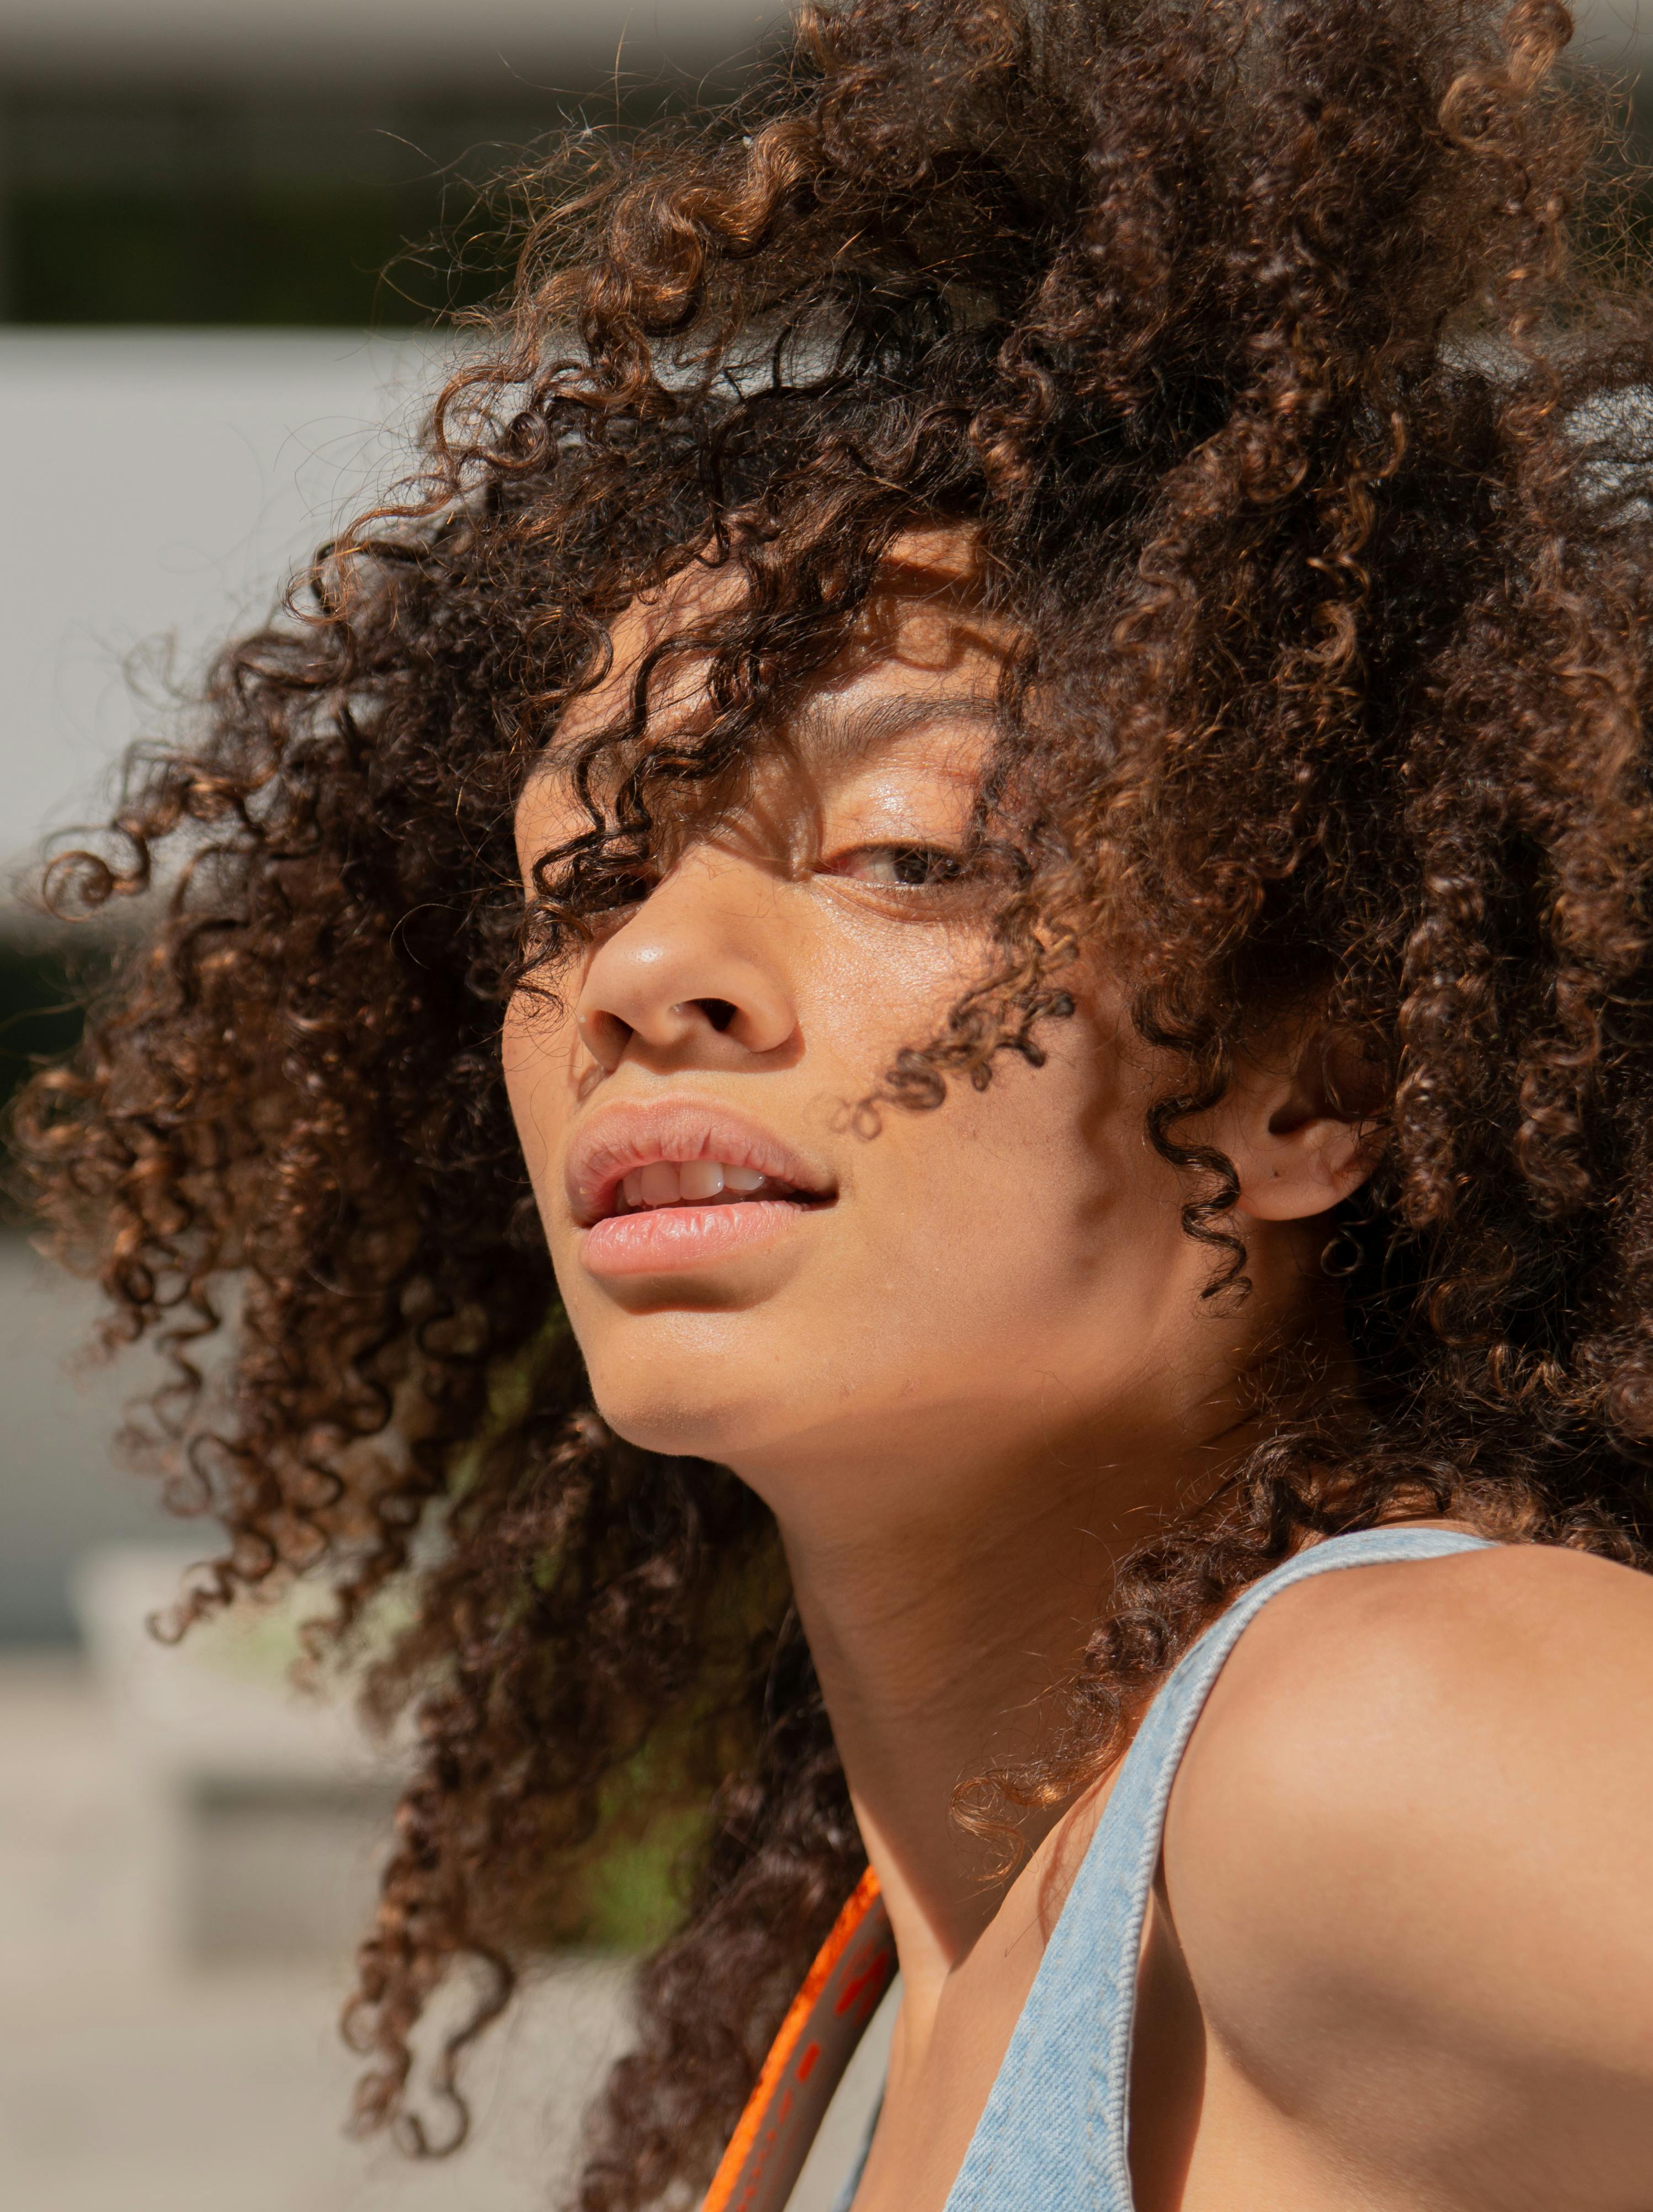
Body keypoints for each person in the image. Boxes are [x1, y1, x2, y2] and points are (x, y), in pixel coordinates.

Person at [22, 0, 1653, 2204]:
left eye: (907, 852)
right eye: (582, 876)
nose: (645, 976)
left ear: (1313, 1084)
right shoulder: (853, 1994)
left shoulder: (1368, 1732)